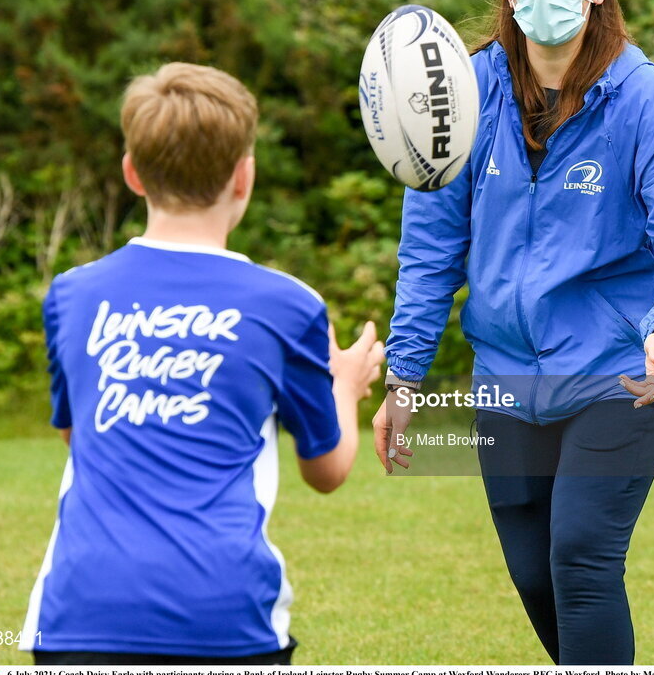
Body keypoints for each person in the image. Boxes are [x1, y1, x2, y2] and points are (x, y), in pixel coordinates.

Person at [373, 0, 654, 664]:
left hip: (619, 372)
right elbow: (431, 250)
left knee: (582, 560)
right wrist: (405, 376)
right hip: (506, 378)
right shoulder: (462, 95)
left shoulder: (642, 98)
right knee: (535, 574)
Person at [19, 62, 383, 664]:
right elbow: (327, 470)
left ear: (132, 173)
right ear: (244, 177)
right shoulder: (289, 304)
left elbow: (74, 432)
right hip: (225, 619)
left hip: (78, 617)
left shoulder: (72, 293)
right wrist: (344, 386)